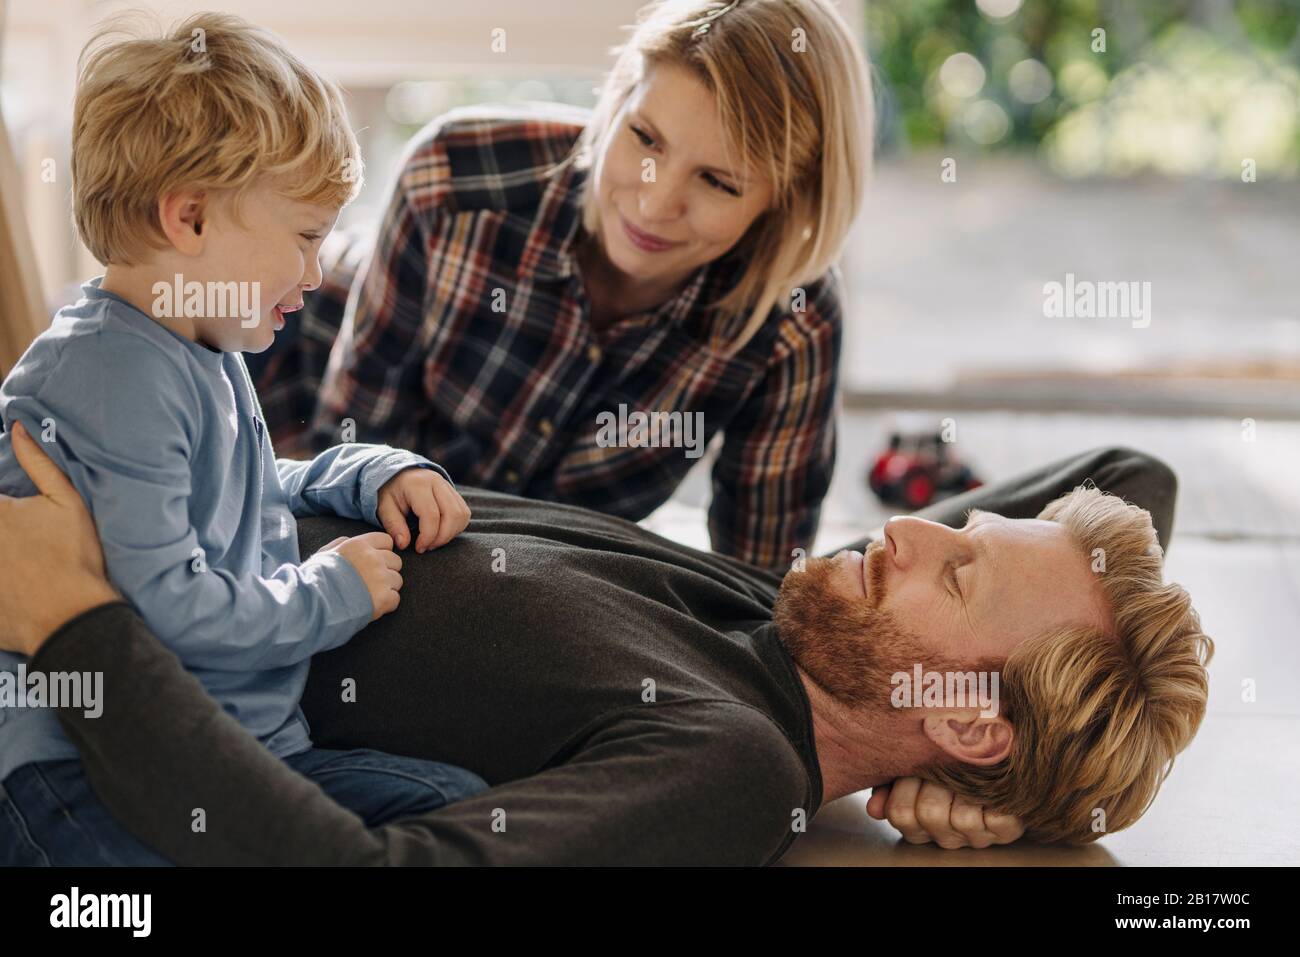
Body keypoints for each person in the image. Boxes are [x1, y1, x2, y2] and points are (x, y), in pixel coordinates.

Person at [0, 433, 1213, 865]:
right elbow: (1127, 474)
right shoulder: (784, 616)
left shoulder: (731, 764)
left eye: (955, 567)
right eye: (951, 527)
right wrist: (994, 792)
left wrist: (71, 623)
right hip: (120, 504)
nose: (901, 525)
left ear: (962, 713)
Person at [0, 13, 486, 866]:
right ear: (188, 218)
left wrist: (362, 473)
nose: (317, 269)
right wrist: (327, 594)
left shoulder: (197, 344)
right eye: (305, 235)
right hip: (73, 762)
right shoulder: (112, 375)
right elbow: (168, 606)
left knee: (457, 804)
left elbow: (245, 485)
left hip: (235, 749)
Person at [247, 0, 874, 571]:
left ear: (788, 202)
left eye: (720, 182)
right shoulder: (456, 177)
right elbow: (344, 478)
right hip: (276, 371)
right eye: (645, 139)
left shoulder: (794, 319)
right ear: (616, 101)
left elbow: (754, 587)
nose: (654, 205)